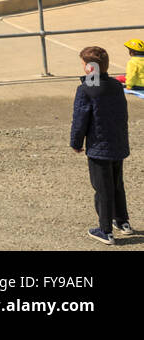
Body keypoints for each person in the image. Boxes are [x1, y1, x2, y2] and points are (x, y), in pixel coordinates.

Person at [71, 46, 131, 244]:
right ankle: (122, 221)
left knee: (102, 188)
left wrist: (76, 142)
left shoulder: (85, 90)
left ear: (89, 68)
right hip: (118, 143)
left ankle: (105, 230)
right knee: (116, 184)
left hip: (99, 147)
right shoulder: (115, 85)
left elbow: (80, 118)